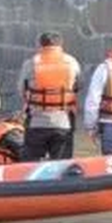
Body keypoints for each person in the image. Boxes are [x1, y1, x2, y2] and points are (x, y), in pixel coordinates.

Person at [18, 31, 82, 161]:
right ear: (61, 45)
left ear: (40, 46)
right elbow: (79, 85)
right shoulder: (72, 63)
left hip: (36, 123)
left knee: (31, 167)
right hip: (64, 123)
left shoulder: (30, 64)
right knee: (61, 166)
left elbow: (21, 90)